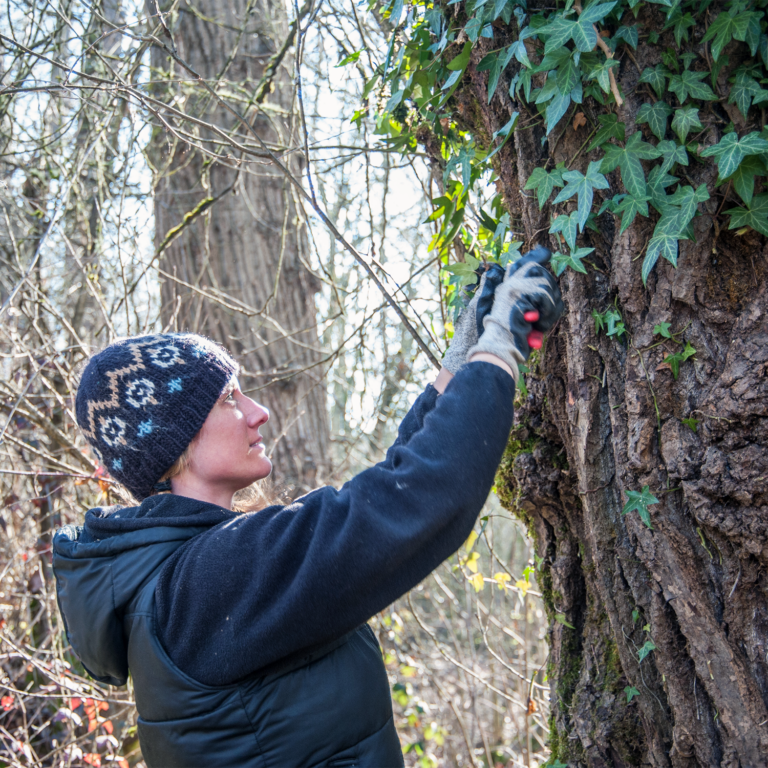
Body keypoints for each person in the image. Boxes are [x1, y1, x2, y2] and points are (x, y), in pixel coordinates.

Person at [53, 247, 562, 768]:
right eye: (229, 399)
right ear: (175, 441)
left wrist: (457, 368)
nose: (259, 412)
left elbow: (383, 494)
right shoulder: (204, 584)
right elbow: (414, 502)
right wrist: (502, 347)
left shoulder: (181, 580)